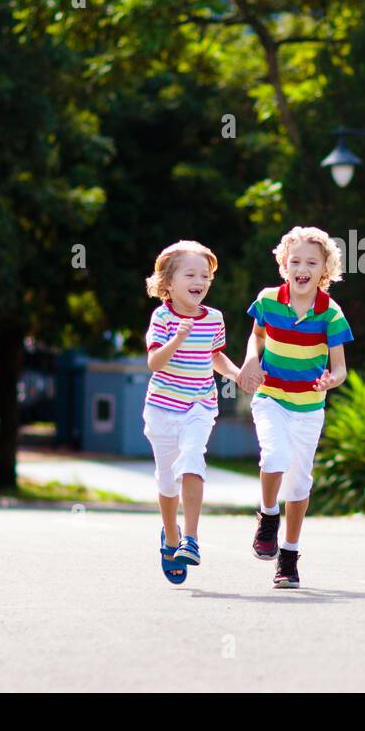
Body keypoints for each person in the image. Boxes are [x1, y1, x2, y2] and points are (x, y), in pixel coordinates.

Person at [238, 226, 353, 588]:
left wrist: (330, 381)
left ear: (325, 270)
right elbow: (256, 338)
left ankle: (288, 556)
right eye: (295, 261)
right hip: (271, 396)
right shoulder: (269, 300)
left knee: (300, 483)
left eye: (312, 262)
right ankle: (268, 516)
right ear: (284, 265)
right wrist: (250, 361)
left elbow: (340, 369)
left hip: (308, 407)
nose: (302, 267)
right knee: (274, 457)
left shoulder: (330, 313)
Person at [143, 240, 242, 584]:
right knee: (167, 479)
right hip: (162, 409)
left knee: (192, 460)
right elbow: (155, 362)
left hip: (200, 405)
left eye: (205, 275)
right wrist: (177, 338)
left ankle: (191, 539)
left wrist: (237, 374)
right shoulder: (163, 317)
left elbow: (215, 356)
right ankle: (171, 536)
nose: (200, 280)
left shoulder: (213, 318)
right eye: (191, 274)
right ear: (168, 282)